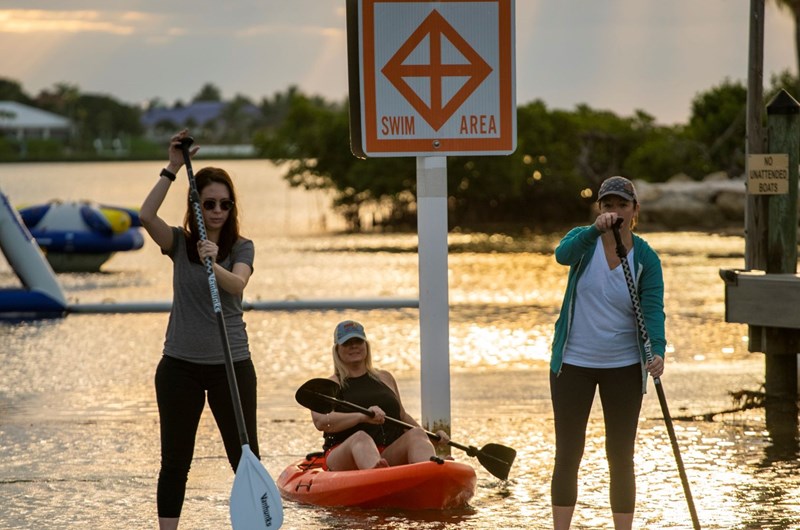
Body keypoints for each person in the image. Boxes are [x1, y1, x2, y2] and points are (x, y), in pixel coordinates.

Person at [140, 130, 260, 530]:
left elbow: (238, 285)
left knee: (245, 455)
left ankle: (256, 524)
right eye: (209, 203)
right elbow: (145, 216)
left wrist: (216, 261)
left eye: (225, 204)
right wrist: (173, 167)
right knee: (176, 461)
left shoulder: (242, 247)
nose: (217, 211)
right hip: (180, 367)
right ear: (197, 206)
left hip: (232, 364)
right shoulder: (178, 243)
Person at [548, 176, 666, 530]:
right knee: (569, 452)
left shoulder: (646, 258)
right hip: (573, 364)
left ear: (634, 212)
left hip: (624, 367)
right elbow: (561, 255)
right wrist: (592, 232)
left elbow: (653, 310)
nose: (614, 211)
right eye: (607, 205)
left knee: (620, 456)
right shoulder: (582, 241)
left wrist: (657, 352)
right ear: (599, 209)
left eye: (621, 205)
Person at [310, 320, 450, 470]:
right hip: (343, 455)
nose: (354, 346)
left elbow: (402, 416)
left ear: (366, 345)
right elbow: (322, 422)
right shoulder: (328, 385)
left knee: (416, 434)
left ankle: (433, 470)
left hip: (386, 453)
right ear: (337, 349)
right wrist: (361, 417)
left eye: (358, 341)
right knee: (361, 437)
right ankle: (377, 475)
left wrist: (429, 437)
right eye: (347, 343)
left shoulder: (385, 378)